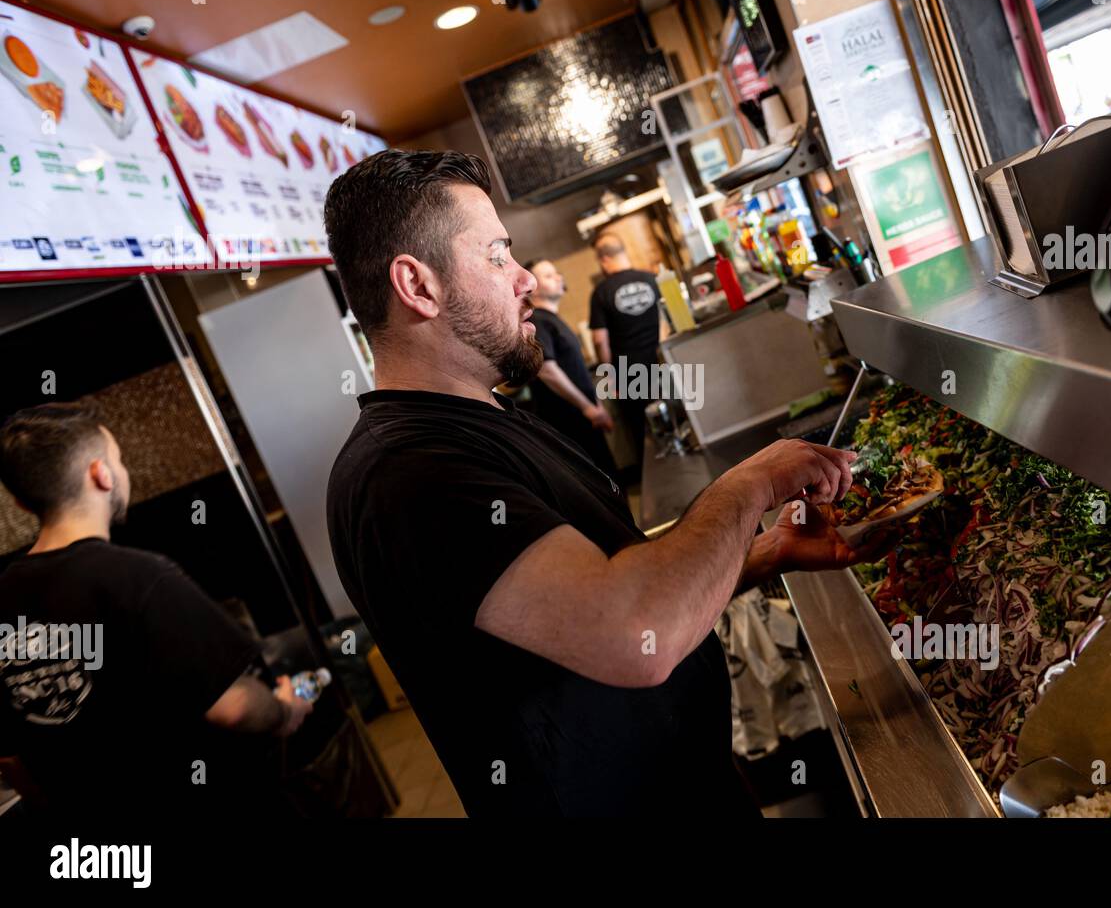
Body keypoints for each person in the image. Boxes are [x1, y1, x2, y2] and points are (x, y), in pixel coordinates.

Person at [322, 149, 897, 817]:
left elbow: (596, 592)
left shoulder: (486, 418)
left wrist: (758, 551)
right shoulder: (409, 475)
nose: (524, 282)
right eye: (497, 256)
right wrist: (752, 485)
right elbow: (630, 629)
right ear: (417, 286)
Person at [0, 403, 312, 816]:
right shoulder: (139, 577)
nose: (123, 471)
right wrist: (285, 711)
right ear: (101, 474)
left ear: (23, 504)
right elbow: (234, 706)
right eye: (119, 459)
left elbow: (11, 758)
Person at [521, 258, 619, 480]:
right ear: (532, 289)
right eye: (547, 275)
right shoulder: (538, 320)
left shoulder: (552, 319)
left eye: (556, 272)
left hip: (582, 417)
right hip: (569, 421)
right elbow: (546, 369)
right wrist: (589, 408)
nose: (558, 277)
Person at [587, 232, 664, 462]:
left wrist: (609, 376)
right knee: (673, 422)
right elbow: (667, 322)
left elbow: (600, 340)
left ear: (603, 260)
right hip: (661, 365)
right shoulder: (652, 279)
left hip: (629, 376)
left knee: (645, 437)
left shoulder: (601, 292)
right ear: (623, 252)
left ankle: (657, 492)